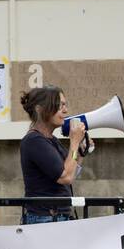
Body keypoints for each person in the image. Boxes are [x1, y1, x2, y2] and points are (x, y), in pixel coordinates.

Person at [19, 86, 90, 225]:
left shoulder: (50, 140)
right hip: (44, 219)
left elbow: (71, 173)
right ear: (40, 109)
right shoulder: (34, 141)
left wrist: (81, 151)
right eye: (59, 106)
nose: (65, 111)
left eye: (65, 105)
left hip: (56, 218)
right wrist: (74, 143)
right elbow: (66, 177)